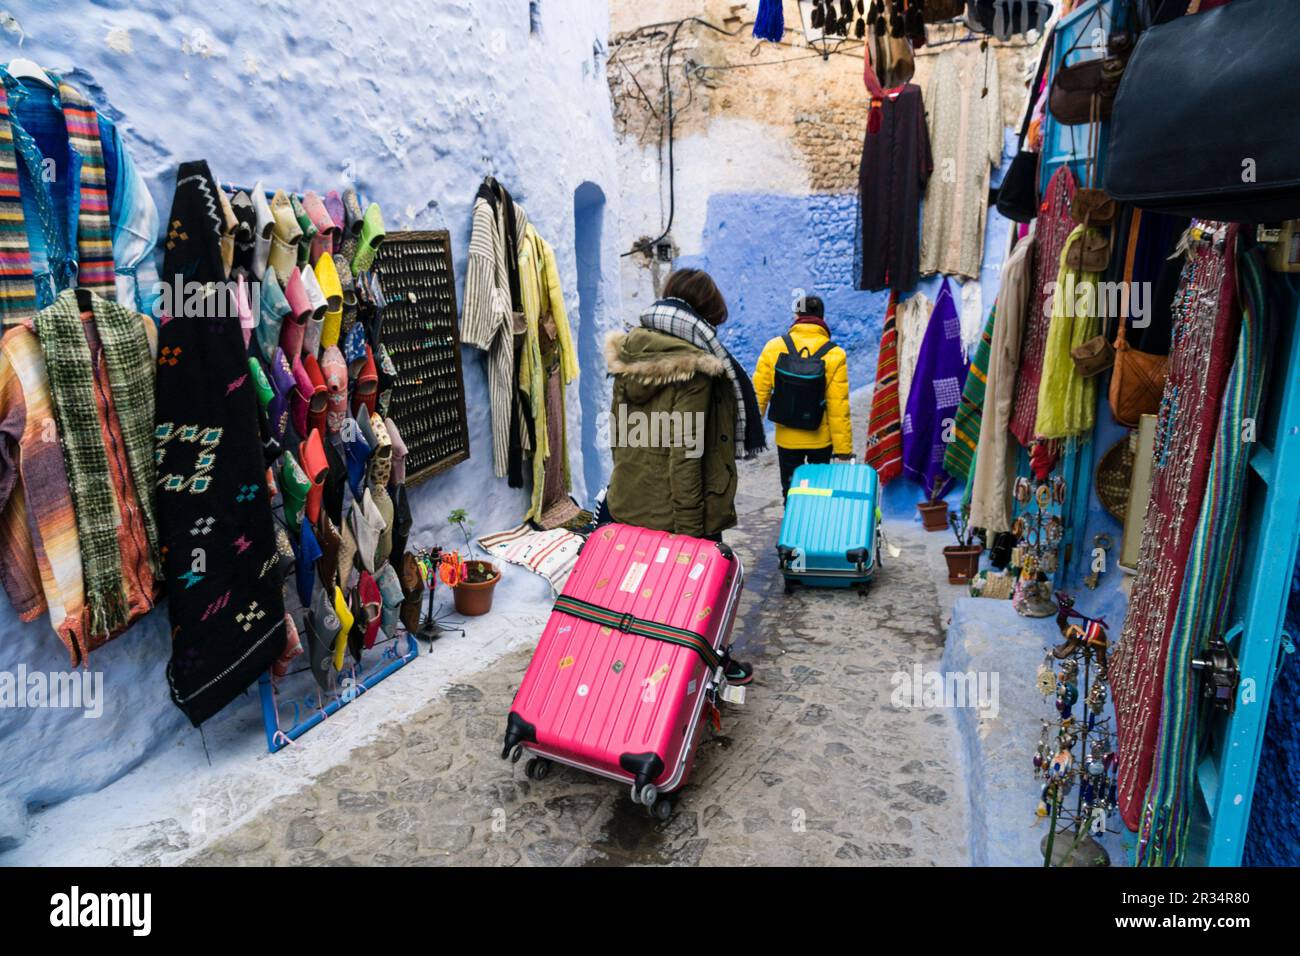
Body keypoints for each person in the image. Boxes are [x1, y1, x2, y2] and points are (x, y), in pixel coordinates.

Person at [603, 268, 756, 684]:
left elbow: (620, 435)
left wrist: (625, 486)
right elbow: (685, 456)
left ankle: (628, 667)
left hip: (627, 500)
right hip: (679, 510)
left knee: (637, 594)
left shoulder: (631, 351)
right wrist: (691, 533)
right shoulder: (695, 364)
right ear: (705, 310)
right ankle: (705, 665)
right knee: (700, 596)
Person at [752, 295, 853, 498]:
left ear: (796, 316)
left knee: (791, 493)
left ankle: (791, 517)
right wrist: (844, 449)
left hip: (787, 439)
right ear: (822, 318)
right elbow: (838, 406)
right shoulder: (835, 354)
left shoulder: (774, 347)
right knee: (819, 494)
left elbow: (759, 395)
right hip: (820, 440)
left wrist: (749, 435)